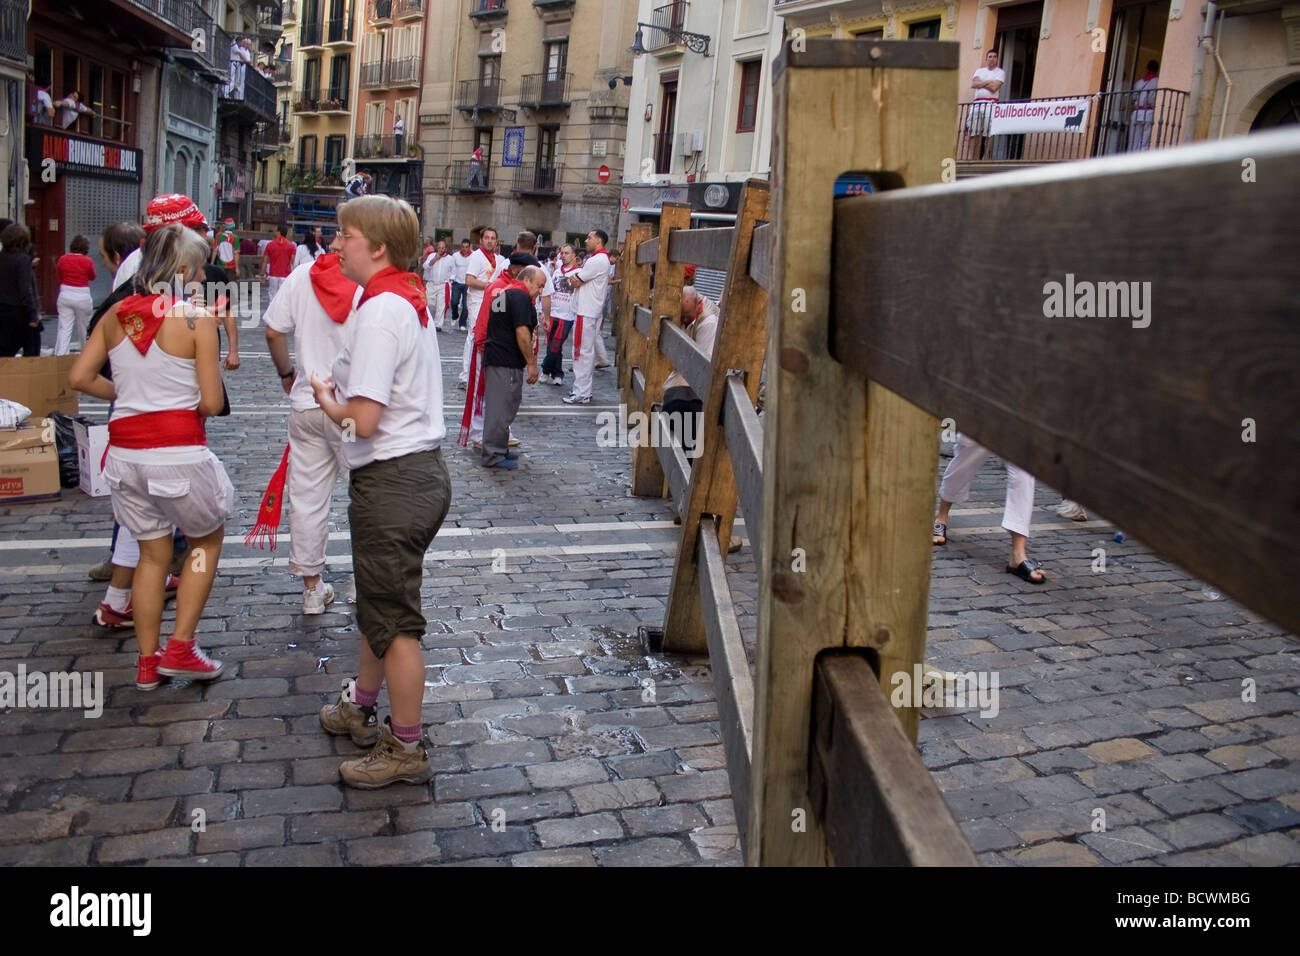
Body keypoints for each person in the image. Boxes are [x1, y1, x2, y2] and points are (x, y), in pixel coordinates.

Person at [310, 195, 451, 788]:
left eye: (346, 235)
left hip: (393, 481)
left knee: (393, 619)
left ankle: (406, 748)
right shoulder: (399, 299)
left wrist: (327, 404)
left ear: (379, 247)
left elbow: (362, 421)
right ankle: (362, 705)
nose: (336, 244)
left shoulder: (380, 310)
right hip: (410, 477)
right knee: (379, 605)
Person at [68, 223, 235, 689]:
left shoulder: (116, 313)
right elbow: (211, 403)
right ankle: (180, 647)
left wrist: (124, 391)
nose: (202, 276)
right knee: (204, 543)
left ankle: (147, 661)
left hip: (125, 456)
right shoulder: (194, 319)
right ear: (182, 269)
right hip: (176, 454)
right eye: (199, 267)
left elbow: (79, 376)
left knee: (150, 556)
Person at [257, 245, 361, 614]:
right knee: (366, 494)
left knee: (307, 498)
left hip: (306, 404)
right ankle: (366, 582)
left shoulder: (301, 276)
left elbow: (273, 331)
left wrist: (288, 373)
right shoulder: (367, 282)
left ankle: (313, 589)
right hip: (350, 411)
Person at [932, 434, 1045, 584]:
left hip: (1019, 418)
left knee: (1024, 472)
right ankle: (942, 516)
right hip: (981, 416)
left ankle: (1018, 554)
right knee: (963, 463)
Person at [459, 250, 537, 449]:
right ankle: (479, 433)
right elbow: (492, 320)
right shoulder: (499, 288)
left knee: (499, 393)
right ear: (517, 270)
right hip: (489, 345)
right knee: (482, 390)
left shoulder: (510, 288)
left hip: (501, 349)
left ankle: (499, 430)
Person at [481, 266, 544, 469]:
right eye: (539, 285)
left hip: (499, 356)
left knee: (504, 404)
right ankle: (493, 453)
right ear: (527, 280)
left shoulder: (506, 292)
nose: (540, 290)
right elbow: (522, 332)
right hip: (505, 359)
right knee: (501, 407)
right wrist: (532, 363)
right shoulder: (520, 297)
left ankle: (499, 447)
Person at [662, 285, 719, 457]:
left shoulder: (708, 322)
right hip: (688, 365)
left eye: (687, 315)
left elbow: (701, 364)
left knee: (684, 403)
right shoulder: (682, 311)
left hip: (703, 372)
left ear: (696, 306)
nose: (683, 318)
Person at [562, 229, 611, 405]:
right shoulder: (599, 259)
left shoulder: (597, 260)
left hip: (586, 311)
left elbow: (575, 281)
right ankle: (584, 391)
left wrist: (573, 280)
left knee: (581, 352)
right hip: (589, 310)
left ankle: (581, 391)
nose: (586, 241)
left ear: (598, 240)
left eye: (589, 238)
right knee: (585, 352)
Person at [459, 227, 507, 386]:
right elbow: (469, 280)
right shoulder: (476, 257)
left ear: (496, 241)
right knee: (474, 336)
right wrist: (489, 286)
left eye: (493, 238)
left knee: (492, 338)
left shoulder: (500, 260)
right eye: (487, 237)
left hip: (495, 303)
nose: (490, 240)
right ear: (481, 240)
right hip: (477, 302)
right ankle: (466, 376)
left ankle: (484, 373)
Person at [0, 224, 41, 357]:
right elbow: (25, 290)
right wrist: (33, 315)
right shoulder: (23, 260)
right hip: (20, 312)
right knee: (32, 349)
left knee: (5, 351)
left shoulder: (2, 257)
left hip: (3, 309)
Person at [542, 243, 579, 386]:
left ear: (573, 255)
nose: (563, 256)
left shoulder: (578, 273)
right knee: (552, 346)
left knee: (555, 345)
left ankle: (545, 370)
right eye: (562, 253)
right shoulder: (557, 272)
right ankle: (557, 374)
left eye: (567, 253)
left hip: (567, 315)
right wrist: (544, 312)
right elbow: (549, 292)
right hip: (553, 313)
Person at [54, 235, 96, 355]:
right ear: (86, 248)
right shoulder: (88, 261)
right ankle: (86, 353)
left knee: (64, 327)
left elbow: (59, 277)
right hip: (82, 295)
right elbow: (92, 277)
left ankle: (61, 355)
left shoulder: (62, 259)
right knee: (84, 327)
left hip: (65, 294)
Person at [965, 49, 1004, 160]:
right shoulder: (979, 71)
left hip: (991, 104)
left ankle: (986, 157)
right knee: (973, 132)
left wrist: (981, 83)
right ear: (986, 59)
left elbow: (994, 87)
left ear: (997, 59)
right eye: (990, 56)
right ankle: (973, 157)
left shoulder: (1000, 73)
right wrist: (988, 82)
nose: (992, 58)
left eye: (994, 56)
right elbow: (973, 84)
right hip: (977, 104)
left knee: (989, 132)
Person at [1129, 60, 1159, 152]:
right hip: (1148, 112)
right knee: (1145, 141)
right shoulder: (1157, 82)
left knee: (1133, 139)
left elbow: (1133, 98)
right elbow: (1152, 99)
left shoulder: (1139, 82)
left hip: (1137, 112)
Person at [423, 238, 453, 328]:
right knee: (430, 303)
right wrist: (435, 259)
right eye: (439, 248)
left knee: (441, 305)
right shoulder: (432, 256)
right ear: (437, 248)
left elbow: (453, 271)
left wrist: (450, 280)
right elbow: (425, 266)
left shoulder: (450, 259)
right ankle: (434, 318)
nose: (441, 250)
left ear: (445, 249)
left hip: (443, 285)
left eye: (442, 248)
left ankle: (438, 325)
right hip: (432, 283)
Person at [263, 224, 296, 305]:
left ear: (278, 232)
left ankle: (271, 314)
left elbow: (265, 260)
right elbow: (292, 261)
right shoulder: (291, 246)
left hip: (273, 273)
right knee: (283, 295)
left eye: (276, 230)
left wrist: (262, 273)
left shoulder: (270, 245)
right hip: (285, 274)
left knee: (272, 295)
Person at [450, 237, 473, 331]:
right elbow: (452, 268)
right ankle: (455, 315)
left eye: (466, 247)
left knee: (466, 304)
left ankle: (462, 323)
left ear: (469, 247)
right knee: (454, 302)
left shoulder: (473, 256)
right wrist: (451, 277)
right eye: (463, 247)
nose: (464, 249)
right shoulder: (455, 256)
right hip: (457, 281)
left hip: (468, 283)